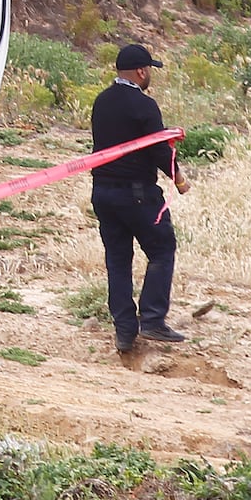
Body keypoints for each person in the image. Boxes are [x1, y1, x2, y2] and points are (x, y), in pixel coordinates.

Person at [90, 43, 191, 352]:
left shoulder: (101, 102)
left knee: (117, 261)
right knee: (162, 249)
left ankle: (124, 331)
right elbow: (159, 149)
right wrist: (179, 179)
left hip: (102, 193)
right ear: (141, 72)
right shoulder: (145, 106)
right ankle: (152, 319)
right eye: (149, 71)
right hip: (137, 194)